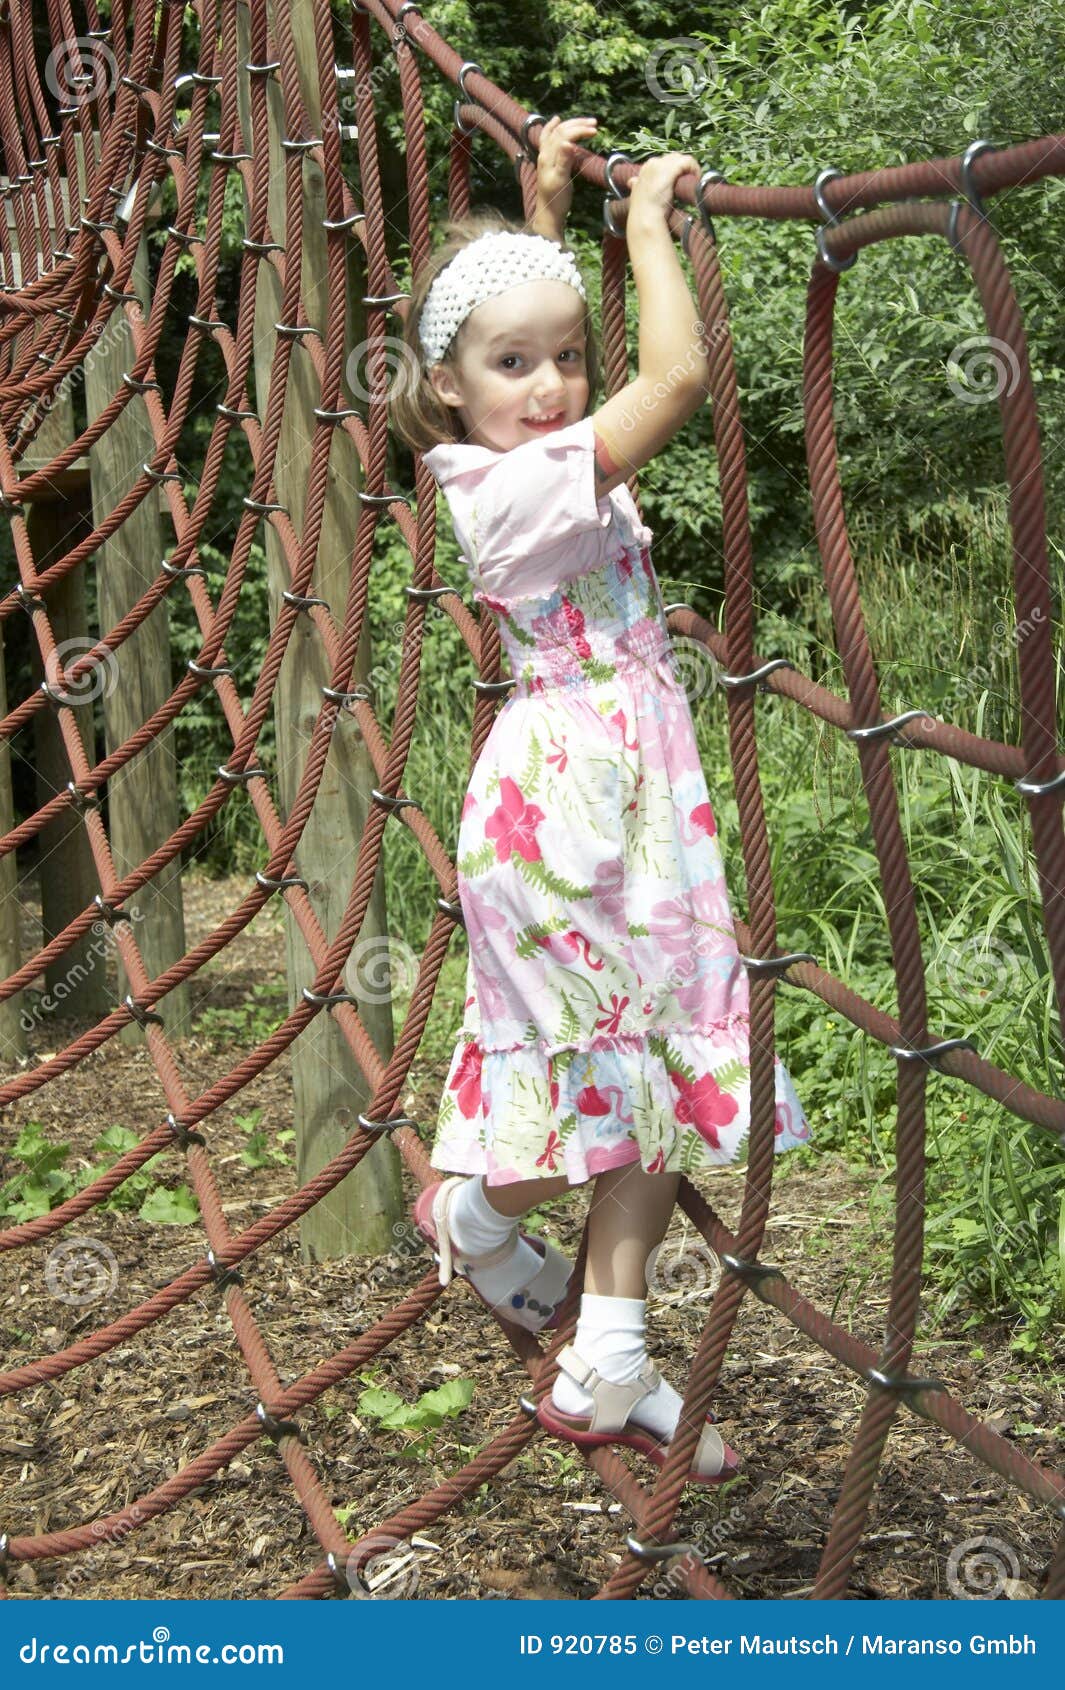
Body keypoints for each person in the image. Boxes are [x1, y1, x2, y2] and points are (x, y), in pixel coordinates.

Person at [390, 118, 810, 1485]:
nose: (554, 383)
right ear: (445, 391)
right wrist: (650, 229)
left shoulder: (522, 432)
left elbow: (538, 344)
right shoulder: (508, 494)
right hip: (564, 810)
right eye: (512, 366)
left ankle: (608, 1347)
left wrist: (549, 207)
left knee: (651, 1068)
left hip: (629, 794)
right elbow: (677, 374)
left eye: (568, 355)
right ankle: (477, 1207)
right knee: (616, 1075)